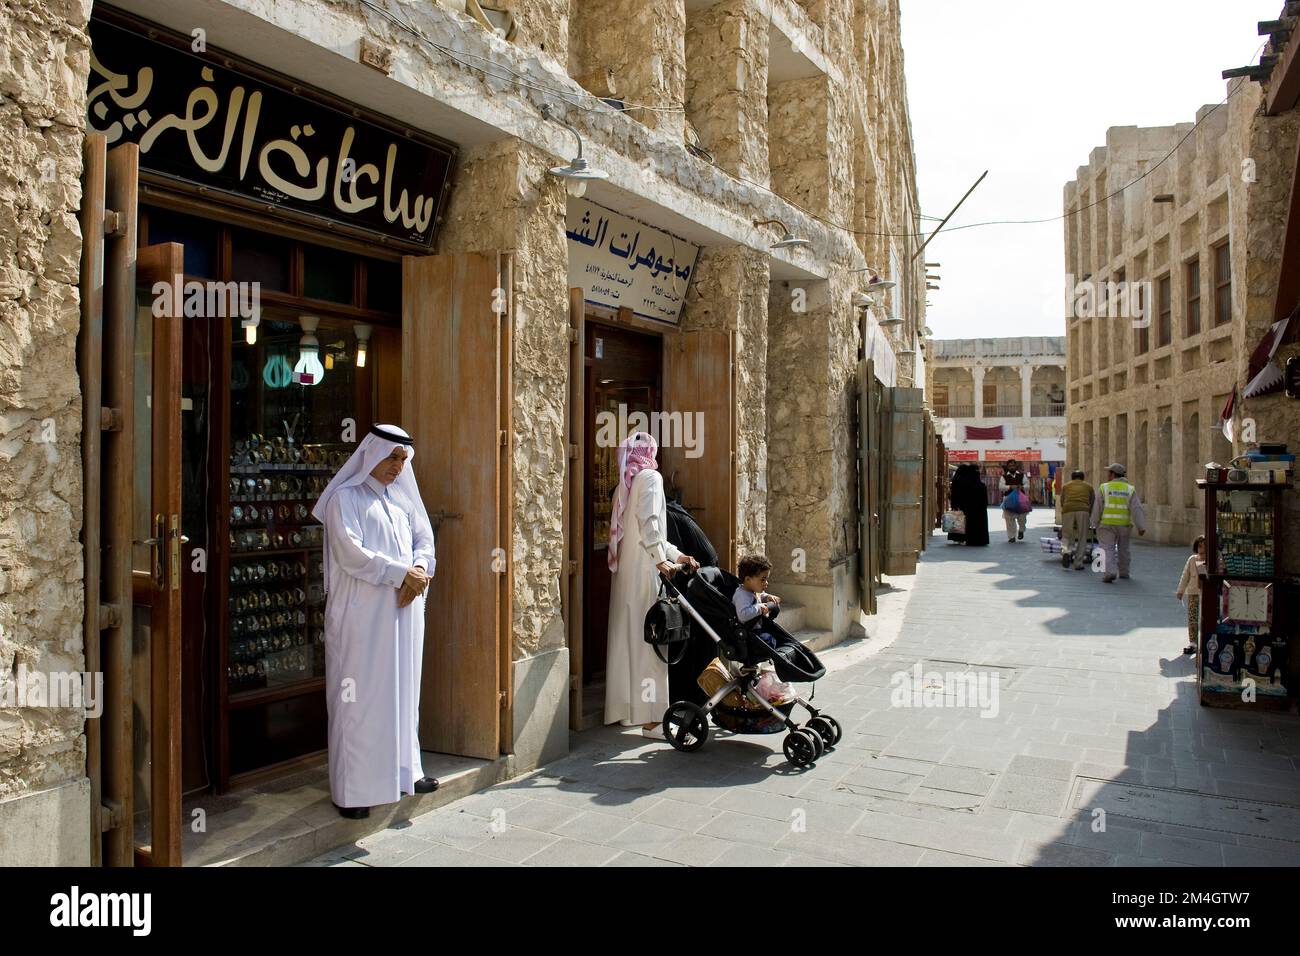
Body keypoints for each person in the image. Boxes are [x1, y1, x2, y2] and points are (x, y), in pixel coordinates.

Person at [311, 424, 438, 819]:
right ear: (371, 454)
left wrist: (417, 568)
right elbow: (352, 553)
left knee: (402, 691)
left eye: (403, 459)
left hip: (403, 612)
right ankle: (352, 791)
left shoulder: (401, 501)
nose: (397, 466)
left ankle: (405, 771)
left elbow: (425, 541)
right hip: (361, 619)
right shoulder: (344, 499)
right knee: (359, 700)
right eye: (391, 457)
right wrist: (402, 574)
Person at [605, 432, 698, 737]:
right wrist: (661, 559)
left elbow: (643, 527)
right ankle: (652, 720)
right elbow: (650, 522)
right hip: (645, 571)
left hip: (629, 575)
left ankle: (628, 711)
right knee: (652, 643)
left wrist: (675, 553)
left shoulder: (627, 483)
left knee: (629, 639)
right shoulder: (651, 478)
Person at [1089, 461, 1147, 583]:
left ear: (1113, 474)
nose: (1108, 475)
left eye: (1109, 472)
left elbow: (1098, 506)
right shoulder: (1130, 489)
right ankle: (1124, 572)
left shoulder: (1104, 487)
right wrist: (1141, 526)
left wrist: (1094, 522)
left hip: (1107, 525)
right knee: (1124, 549)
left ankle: (1110, 572)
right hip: (1124, 525)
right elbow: (1137, 508)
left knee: (1107, 549)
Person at [733, 553, 782, 648]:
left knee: (777, 632)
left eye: (766, 579)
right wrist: (759, 607)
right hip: (749, 633)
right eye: (763, 580)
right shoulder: (741, 595)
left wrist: (767, 597)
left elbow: (759, 596)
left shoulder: (751, 590)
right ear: (747, 579)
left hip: (758, 627)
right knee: (770, 641)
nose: (766, 583)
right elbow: (743, 614)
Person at [1175, 535, 1207, 655]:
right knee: (1192, 617)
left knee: (1205, 617)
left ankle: (1205, 639)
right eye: (1199, 547)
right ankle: (1193, 641)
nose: (1202, 550)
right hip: (1193, 592)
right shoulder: (1192, 559)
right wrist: (1181, 590)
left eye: (1204, 547)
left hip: (1206, 593)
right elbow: (1185, 575)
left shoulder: (1212, 559)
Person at [1059, 469, 1095, 571]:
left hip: (1068, 509)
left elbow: (1062, 500)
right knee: (1082, 537)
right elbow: (1092, 501)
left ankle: (1066, 551)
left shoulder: (1066, 486)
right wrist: (1088, 513)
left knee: (1066, 535)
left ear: (1072, 477)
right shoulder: (1088, 486)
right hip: (1083, 510)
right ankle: (1078, 563)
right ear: (1083, 478)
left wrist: (1065, 510)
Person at [948, 463, 989, 546]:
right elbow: (984, 500)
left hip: (966, 508)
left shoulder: (962, 483)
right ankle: (977, 539)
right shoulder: (981, 485)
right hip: (979, 510)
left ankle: (962, 538)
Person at [999, 458, 1029, 543]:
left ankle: (1021, 530)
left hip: (1021, 500)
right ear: (1008, 467)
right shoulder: (1003, 477)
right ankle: (1011, 536)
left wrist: (1022, 487)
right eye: (1010, 466)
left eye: (1013, 465)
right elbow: (1000, 487)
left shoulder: (1022, 475)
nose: (1012, 467)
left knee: (1022, 518)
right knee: (1009, 519)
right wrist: (1010, 487)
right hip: (1008, 500)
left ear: (1016, 466)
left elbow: (1027, 485)